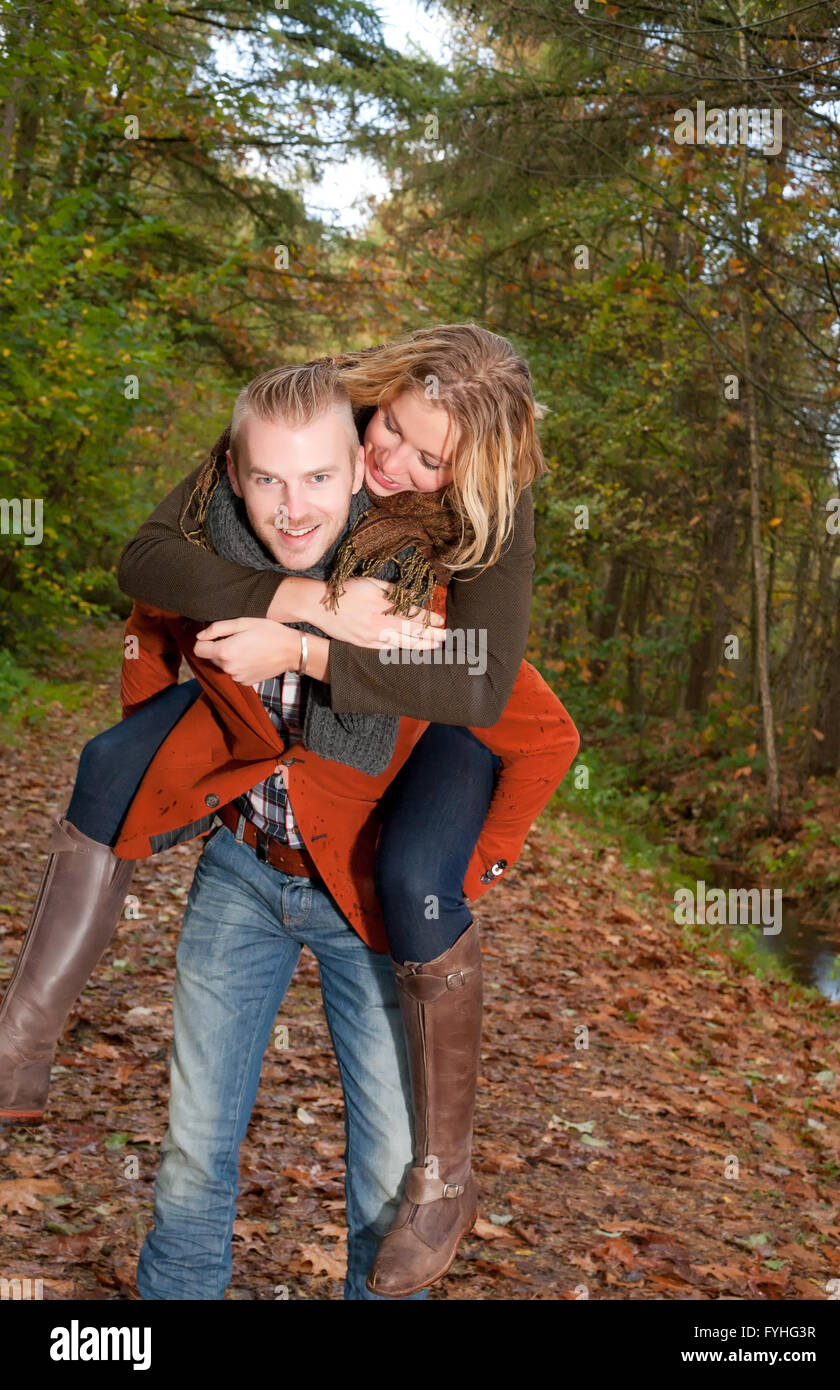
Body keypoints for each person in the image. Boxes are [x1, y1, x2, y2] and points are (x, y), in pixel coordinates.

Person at [0, 327, 579, 1298]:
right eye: (388, 428)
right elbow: (147, 561)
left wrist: (309, 653)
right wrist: (297, 599)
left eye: (426, 460)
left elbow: (483, 693)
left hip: (368, 887)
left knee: (384, 1191)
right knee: (190, 1160)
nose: (387, 462)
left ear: (472, 475)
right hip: (247, 860)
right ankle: (23, 1040)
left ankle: (448, 1175)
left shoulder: (487, 518)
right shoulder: (301, 433)